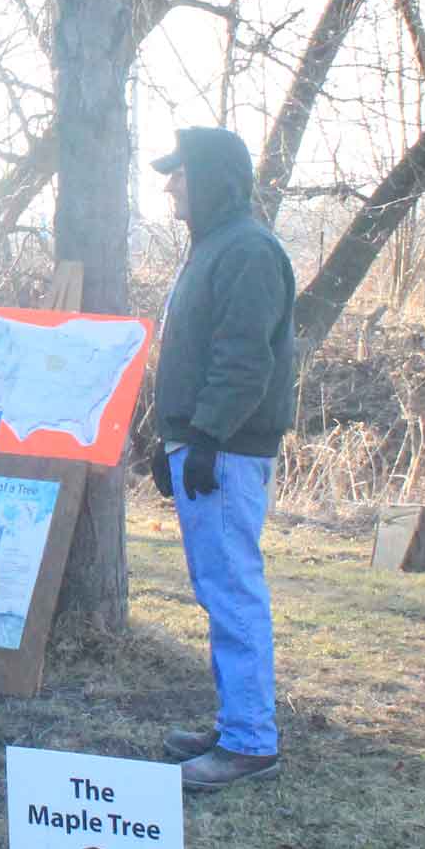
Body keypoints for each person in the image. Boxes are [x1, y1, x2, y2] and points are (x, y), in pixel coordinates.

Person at [146, 126, 298, 792]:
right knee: (219, 589)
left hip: (228, 451)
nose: (170, 184)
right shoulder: (217, 246)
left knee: (233, 590)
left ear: (211, 177)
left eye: (180, 172)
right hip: (207, 444)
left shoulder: (249, 251)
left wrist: (205, 438)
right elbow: (201, 355)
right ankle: (237, 721)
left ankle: (249, 743)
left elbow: (244, 360)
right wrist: (173, 436)